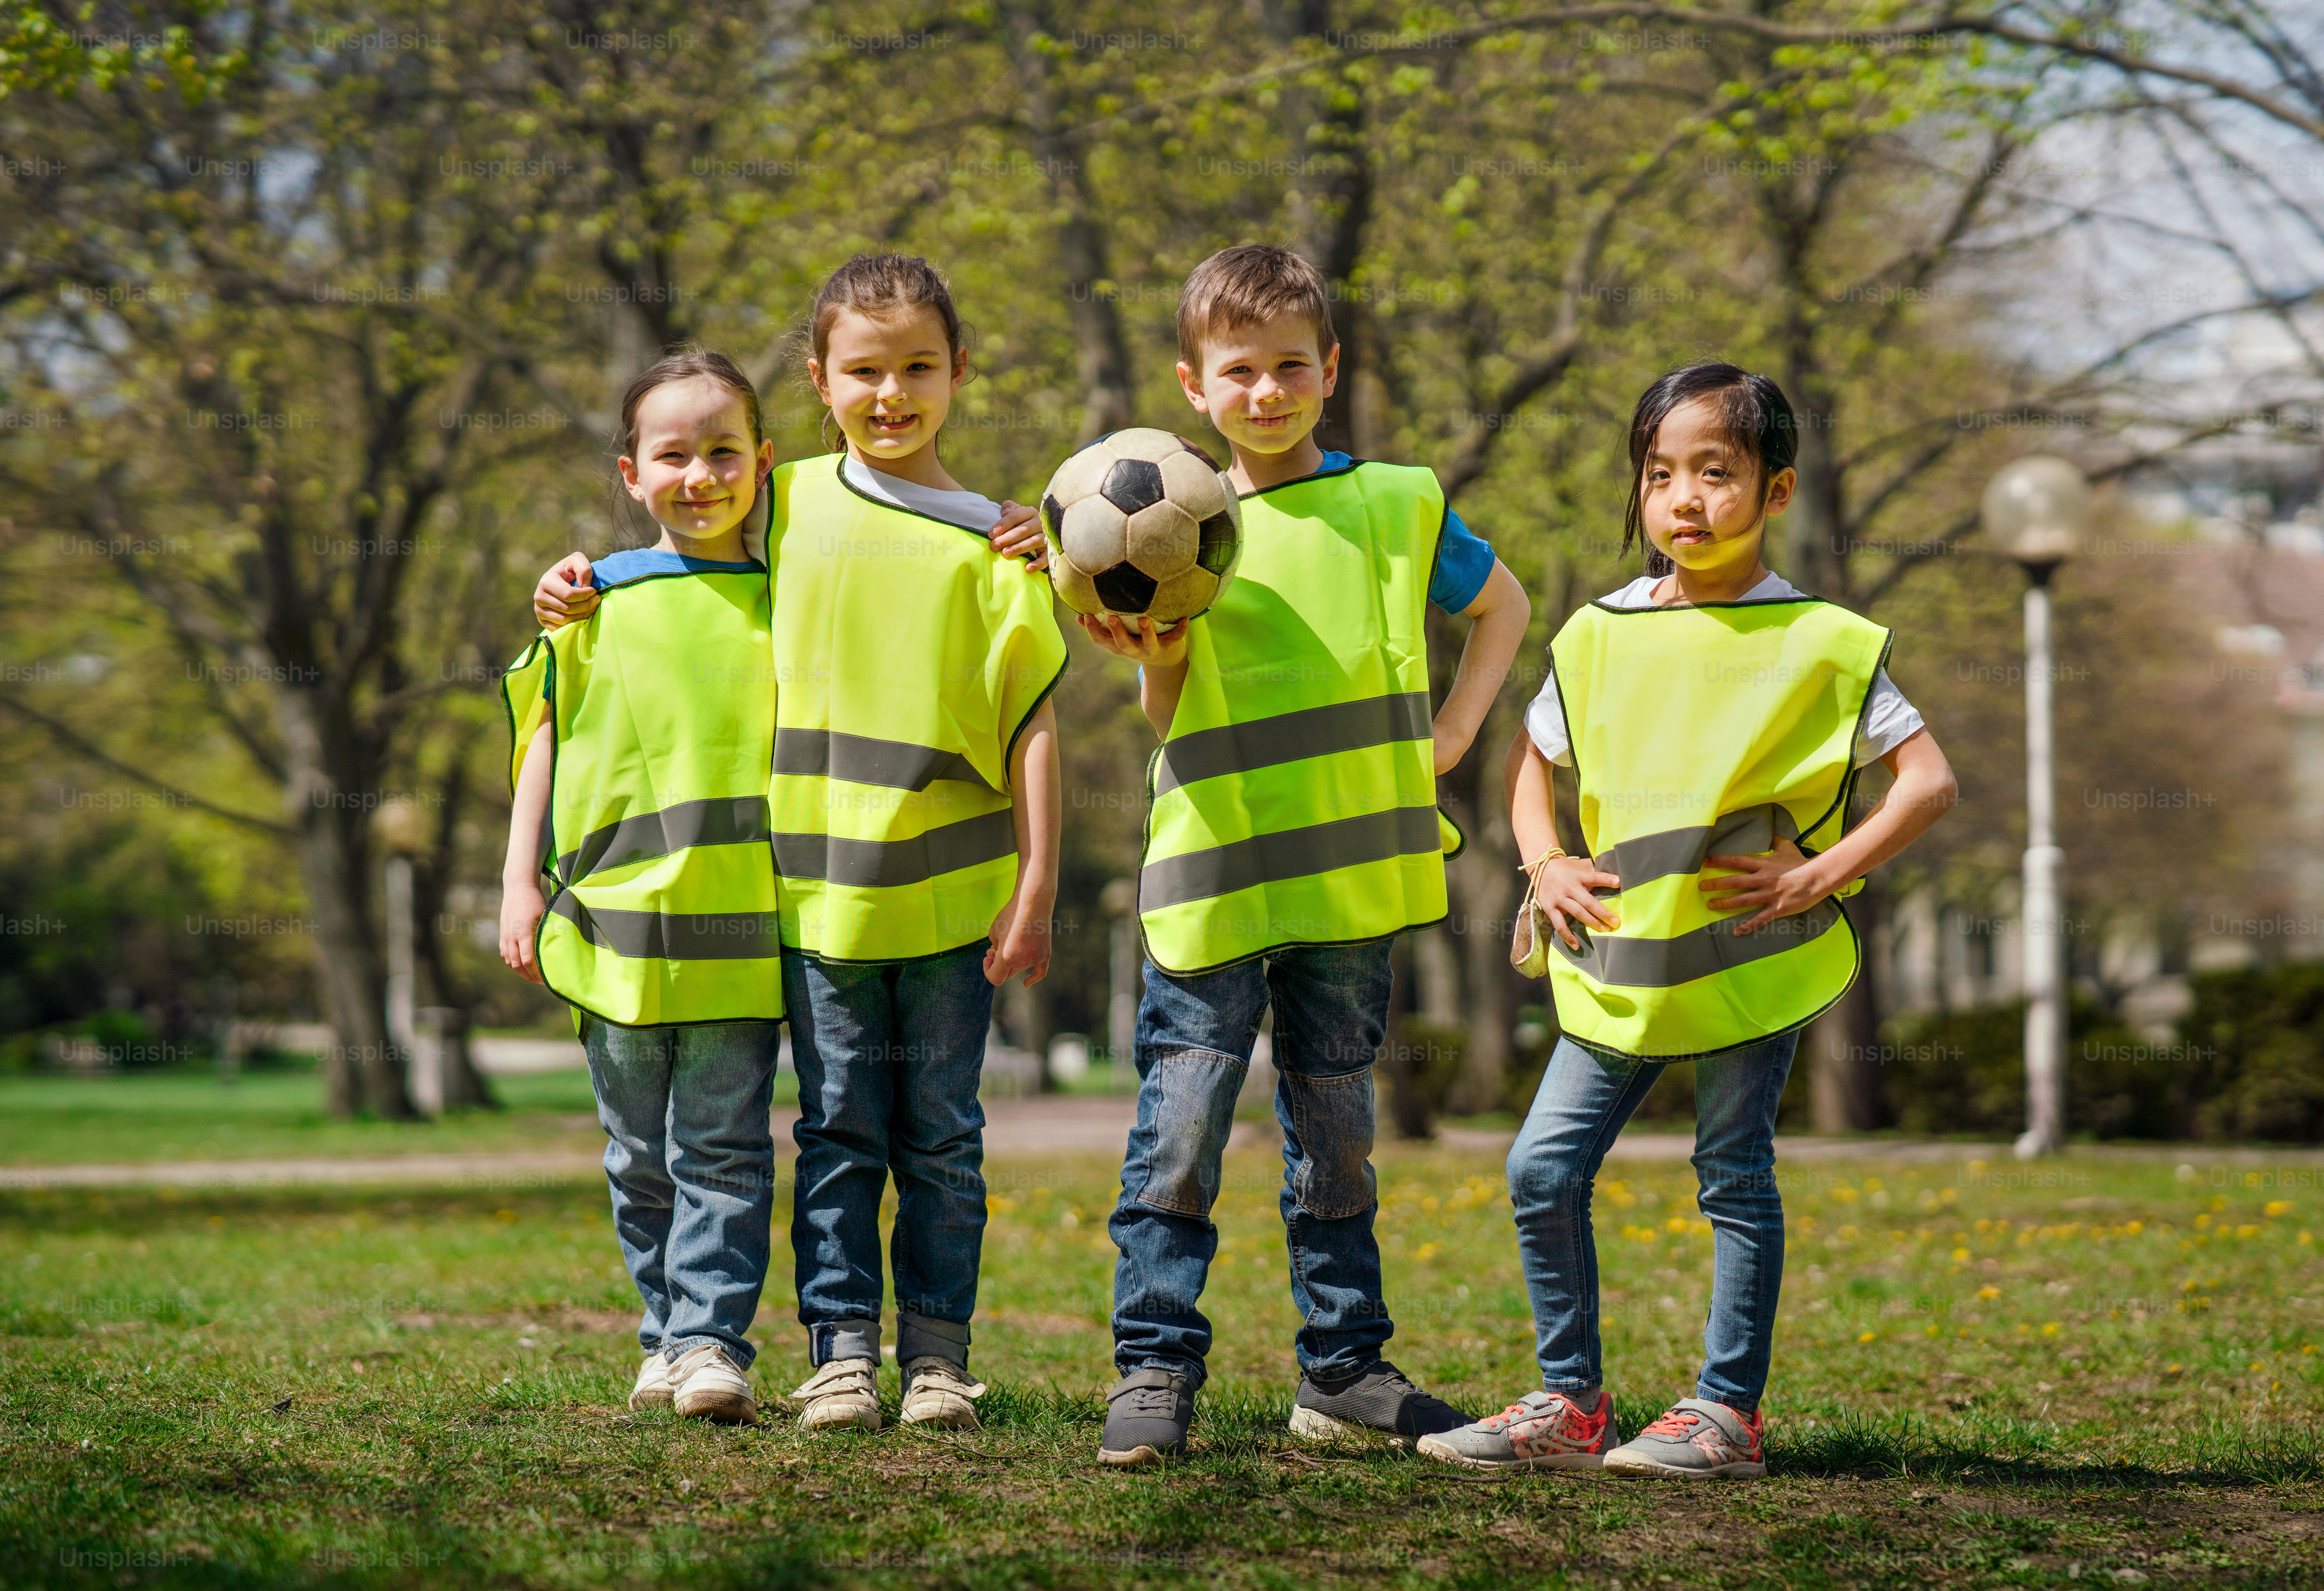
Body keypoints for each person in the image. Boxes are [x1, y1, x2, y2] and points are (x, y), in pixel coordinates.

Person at [532, 256, 1064, 1434]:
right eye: (863, 371)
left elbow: (1033, 723)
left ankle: (937, 1358)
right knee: (835, 1135)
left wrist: (1038, 881)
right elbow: (685, 526)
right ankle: (839, 1355)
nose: (892, 393)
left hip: (955, 899)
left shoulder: (1002, 542)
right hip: (815, 900)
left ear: (959, 372)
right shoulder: (799, 498)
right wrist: (574, 584)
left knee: (945, 1139)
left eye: (918, 367)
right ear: (819, 385)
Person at [1415, 362, 1958, 1478]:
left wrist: (1824, 877)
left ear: (1779, 490)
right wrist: (1545, 861)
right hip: (1615, 959)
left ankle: (1725, 1414)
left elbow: (1929, 784)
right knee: (1539, 1170)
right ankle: (1570, 1405)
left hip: (1753, 961)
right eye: (1662, 474)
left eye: (1718, 473)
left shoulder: (1823, 639)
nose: (1686, 500)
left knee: (1734, 1176)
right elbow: (1533, 766)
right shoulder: (1596, 633)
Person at [1060, 244, 1532, 1466]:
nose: (1265, 392)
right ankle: (1154, 1367)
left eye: (1289, 368)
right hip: (1213, 874)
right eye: (1238, 372)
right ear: (1194, 386)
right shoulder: (1178, 523)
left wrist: (1459, 730)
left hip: (1349, 881)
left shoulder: (1397, 502)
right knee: (1182, 1129)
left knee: (1337, 1135)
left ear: (1331, 370)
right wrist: (1156, 644)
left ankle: (1345, 1369)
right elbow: (1172, 718)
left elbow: (1507, 609)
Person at [499, 348, 786, 1426]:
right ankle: (664, 1332)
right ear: (632, 472)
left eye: (725, 452)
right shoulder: (591, 600)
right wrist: (519, 881)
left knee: (720, 1148)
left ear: (764, 465)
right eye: (674, 454)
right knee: (636, 1157)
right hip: (611, 926)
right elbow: (545, 736)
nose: (701, 475)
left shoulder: (790, 599)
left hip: (745, 932)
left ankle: (714, 1342)